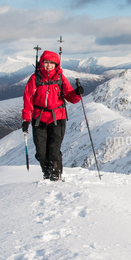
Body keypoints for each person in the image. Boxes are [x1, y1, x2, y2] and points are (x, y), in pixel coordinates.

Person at [22, 50, 84, 181]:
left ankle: (55, 175)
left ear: (56, 64)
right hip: (39, 120)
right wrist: (26, 119)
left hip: (58, 118)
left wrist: (77, 93)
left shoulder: (60, 78)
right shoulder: (35, 78)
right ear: (41, 63)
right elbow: (28, 100)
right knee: (41, 152)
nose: (49, 65)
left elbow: (70, 97)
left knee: (54, 149)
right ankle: (47, 172)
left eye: (52, 63)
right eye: (46, 62)